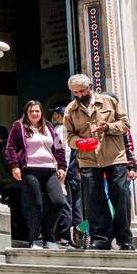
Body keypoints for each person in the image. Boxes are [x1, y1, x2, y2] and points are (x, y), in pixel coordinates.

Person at [62, 74, 134, 251]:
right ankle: (101, 238)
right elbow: (68, 135)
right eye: (75, 92)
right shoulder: (70, 110)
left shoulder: (109, 101)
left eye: (82, 90)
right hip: (88, 159)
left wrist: (108, 127)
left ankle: (124, 239)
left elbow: (125, 124)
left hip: (114, 156)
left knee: (121, 196)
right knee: (94, 200)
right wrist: (78, 142)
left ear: (91, 86)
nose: (79, 95)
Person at [3, 101, 68, 249]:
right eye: (31, 111)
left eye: (37, 111)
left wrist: (62, 166)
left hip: (50, 170)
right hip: (30, 170)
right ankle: (36, 238)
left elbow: (58, 148)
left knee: (59, 202)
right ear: (27, 112)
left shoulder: (49, 127)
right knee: (37, 205)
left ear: (41, 112)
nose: (34, 114)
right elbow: (10, 147)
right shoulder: (19, 127)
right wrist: (14, 166)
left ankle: (49, 235)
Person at [51, 105, 84, 249]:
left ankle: (64, 237)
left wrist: (61, 170)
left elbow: (63, 152)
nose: (53, 117)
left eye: (55, 114)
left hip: (65, 172)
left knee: (66, 204)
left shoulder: (60, 130)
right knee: (78, 206)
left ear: (59, 116)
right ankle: (81, 234)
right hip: (76, 172)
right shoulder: (75, 131)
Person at [0, 125, 25, 244]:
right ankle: (19, 233)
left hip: (10, 184)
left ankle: (19, 234)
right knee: (16, 209)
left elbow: (9, 163)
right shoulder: (8, 146)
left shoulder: (5, 147)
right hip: (12, 184)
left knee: (14, 209)